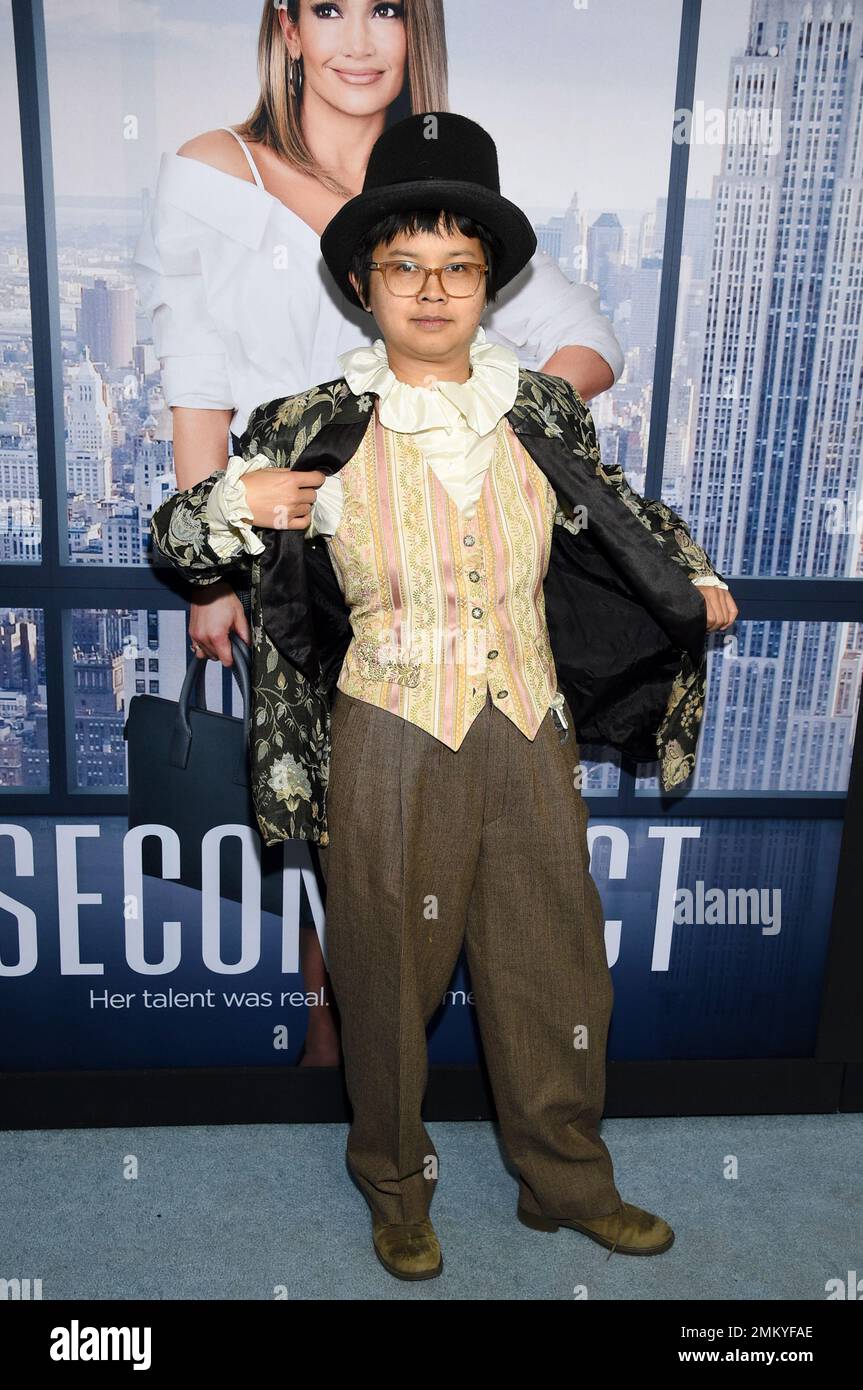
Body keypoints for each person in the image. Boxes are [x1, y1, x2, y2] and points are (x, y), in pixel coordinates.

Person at [150, 110, 737, 1280]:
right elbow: (176, 538)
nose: (431, 291)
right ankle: (395, 1187)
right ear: (364, 284)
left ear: (488, 282)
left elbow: (623, 515)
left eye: (456, 267)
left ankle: (563, 1182)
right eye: (403, 267)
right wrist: (235, 504)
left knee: (554, 970)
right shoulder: (308, 424)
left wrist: (696, 581)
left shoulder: (538, 410)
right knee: (382, 979)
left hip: (527, 727)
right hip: (386, 733)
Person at [133, 0, 625, 1067]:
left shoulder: (441, 185)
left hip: (439, 555)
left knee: (438, 809)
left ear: (415, 32)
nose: (357, 38)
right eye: (328, 8)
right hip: (296, 562)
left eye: (385, 10)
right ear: (287, 28)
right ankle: (337, 1037)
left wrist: (499, 416)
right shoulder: (216, 169)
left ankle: (381, 1051)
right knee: (334, 818)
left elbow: (588, 338)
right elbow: (197, 387)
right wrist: (212, 579)